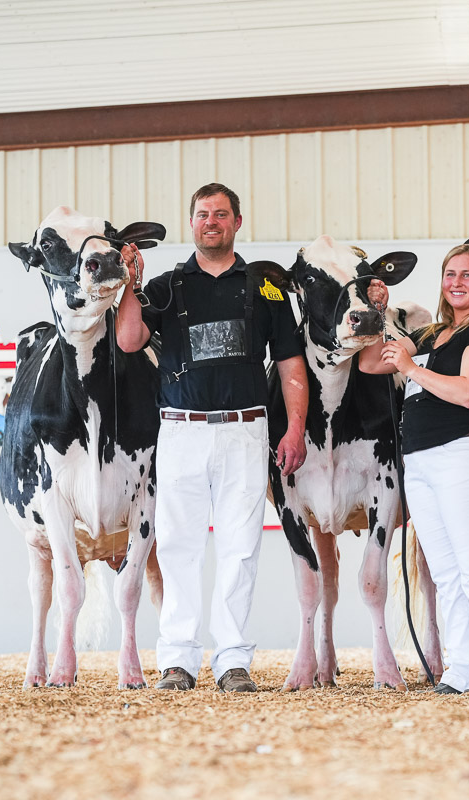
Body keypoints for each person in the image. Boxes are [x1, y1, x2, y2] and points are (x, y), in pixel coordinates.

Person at [115, 183, 309, 693]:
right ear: (192, 223)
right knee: (177, 545)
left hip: (247, 431)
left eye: (221, 215)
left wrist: (293, 427)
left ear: (237, 223)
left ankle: (231, 661)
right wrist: (129, 285)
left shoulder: (266, 287)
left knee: (240, 547)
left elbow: (290, 364)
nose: (211, 222)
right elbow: (130, 339)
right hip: (181, 431)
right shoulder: (165, 285)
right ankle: (177, 660)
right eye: (202, 215)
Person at [359, 243, 469, 694]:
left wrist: (411, 369)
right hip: (421, 461)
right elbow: (372, 362)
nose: (456, 282)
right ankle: (462, 667)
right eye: (450, 273)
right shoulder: (431, 334)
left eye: (467, 275)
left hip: (463, 454)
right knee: (446, 573)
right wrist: (377, 314)